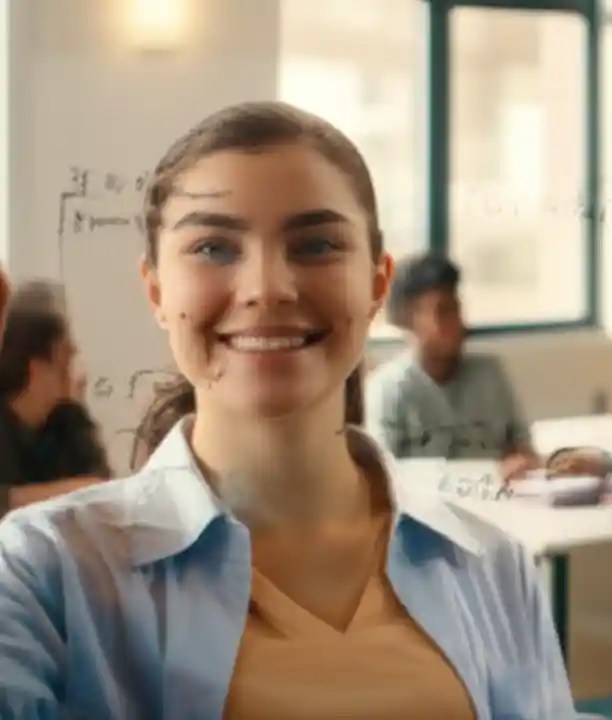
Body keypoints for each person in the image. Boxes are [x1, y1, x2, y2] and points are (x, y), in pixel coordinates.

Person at [0, 101, 574, 718]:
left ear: (378, 283)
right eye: (214, 248)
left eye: (317, 244)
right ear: (157, 290)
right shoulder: (44, 571)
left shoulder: (492, 564)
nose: (267, 287)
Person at [364, 252, 538, 481]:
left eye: (456, 309)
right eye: (442, 311)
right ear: (407, 319)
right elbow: (380, 476)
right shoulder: (389, 388)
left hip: (495, 502)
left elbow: (522, 448)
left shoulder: (490, 374)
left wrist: (522, 462)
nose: (456, 323)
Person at [0, 284, 110, 515]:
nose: (76, 373)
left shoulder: (69, 418)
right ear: (36, 370)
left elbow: (103, 490)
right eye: (65, 359)